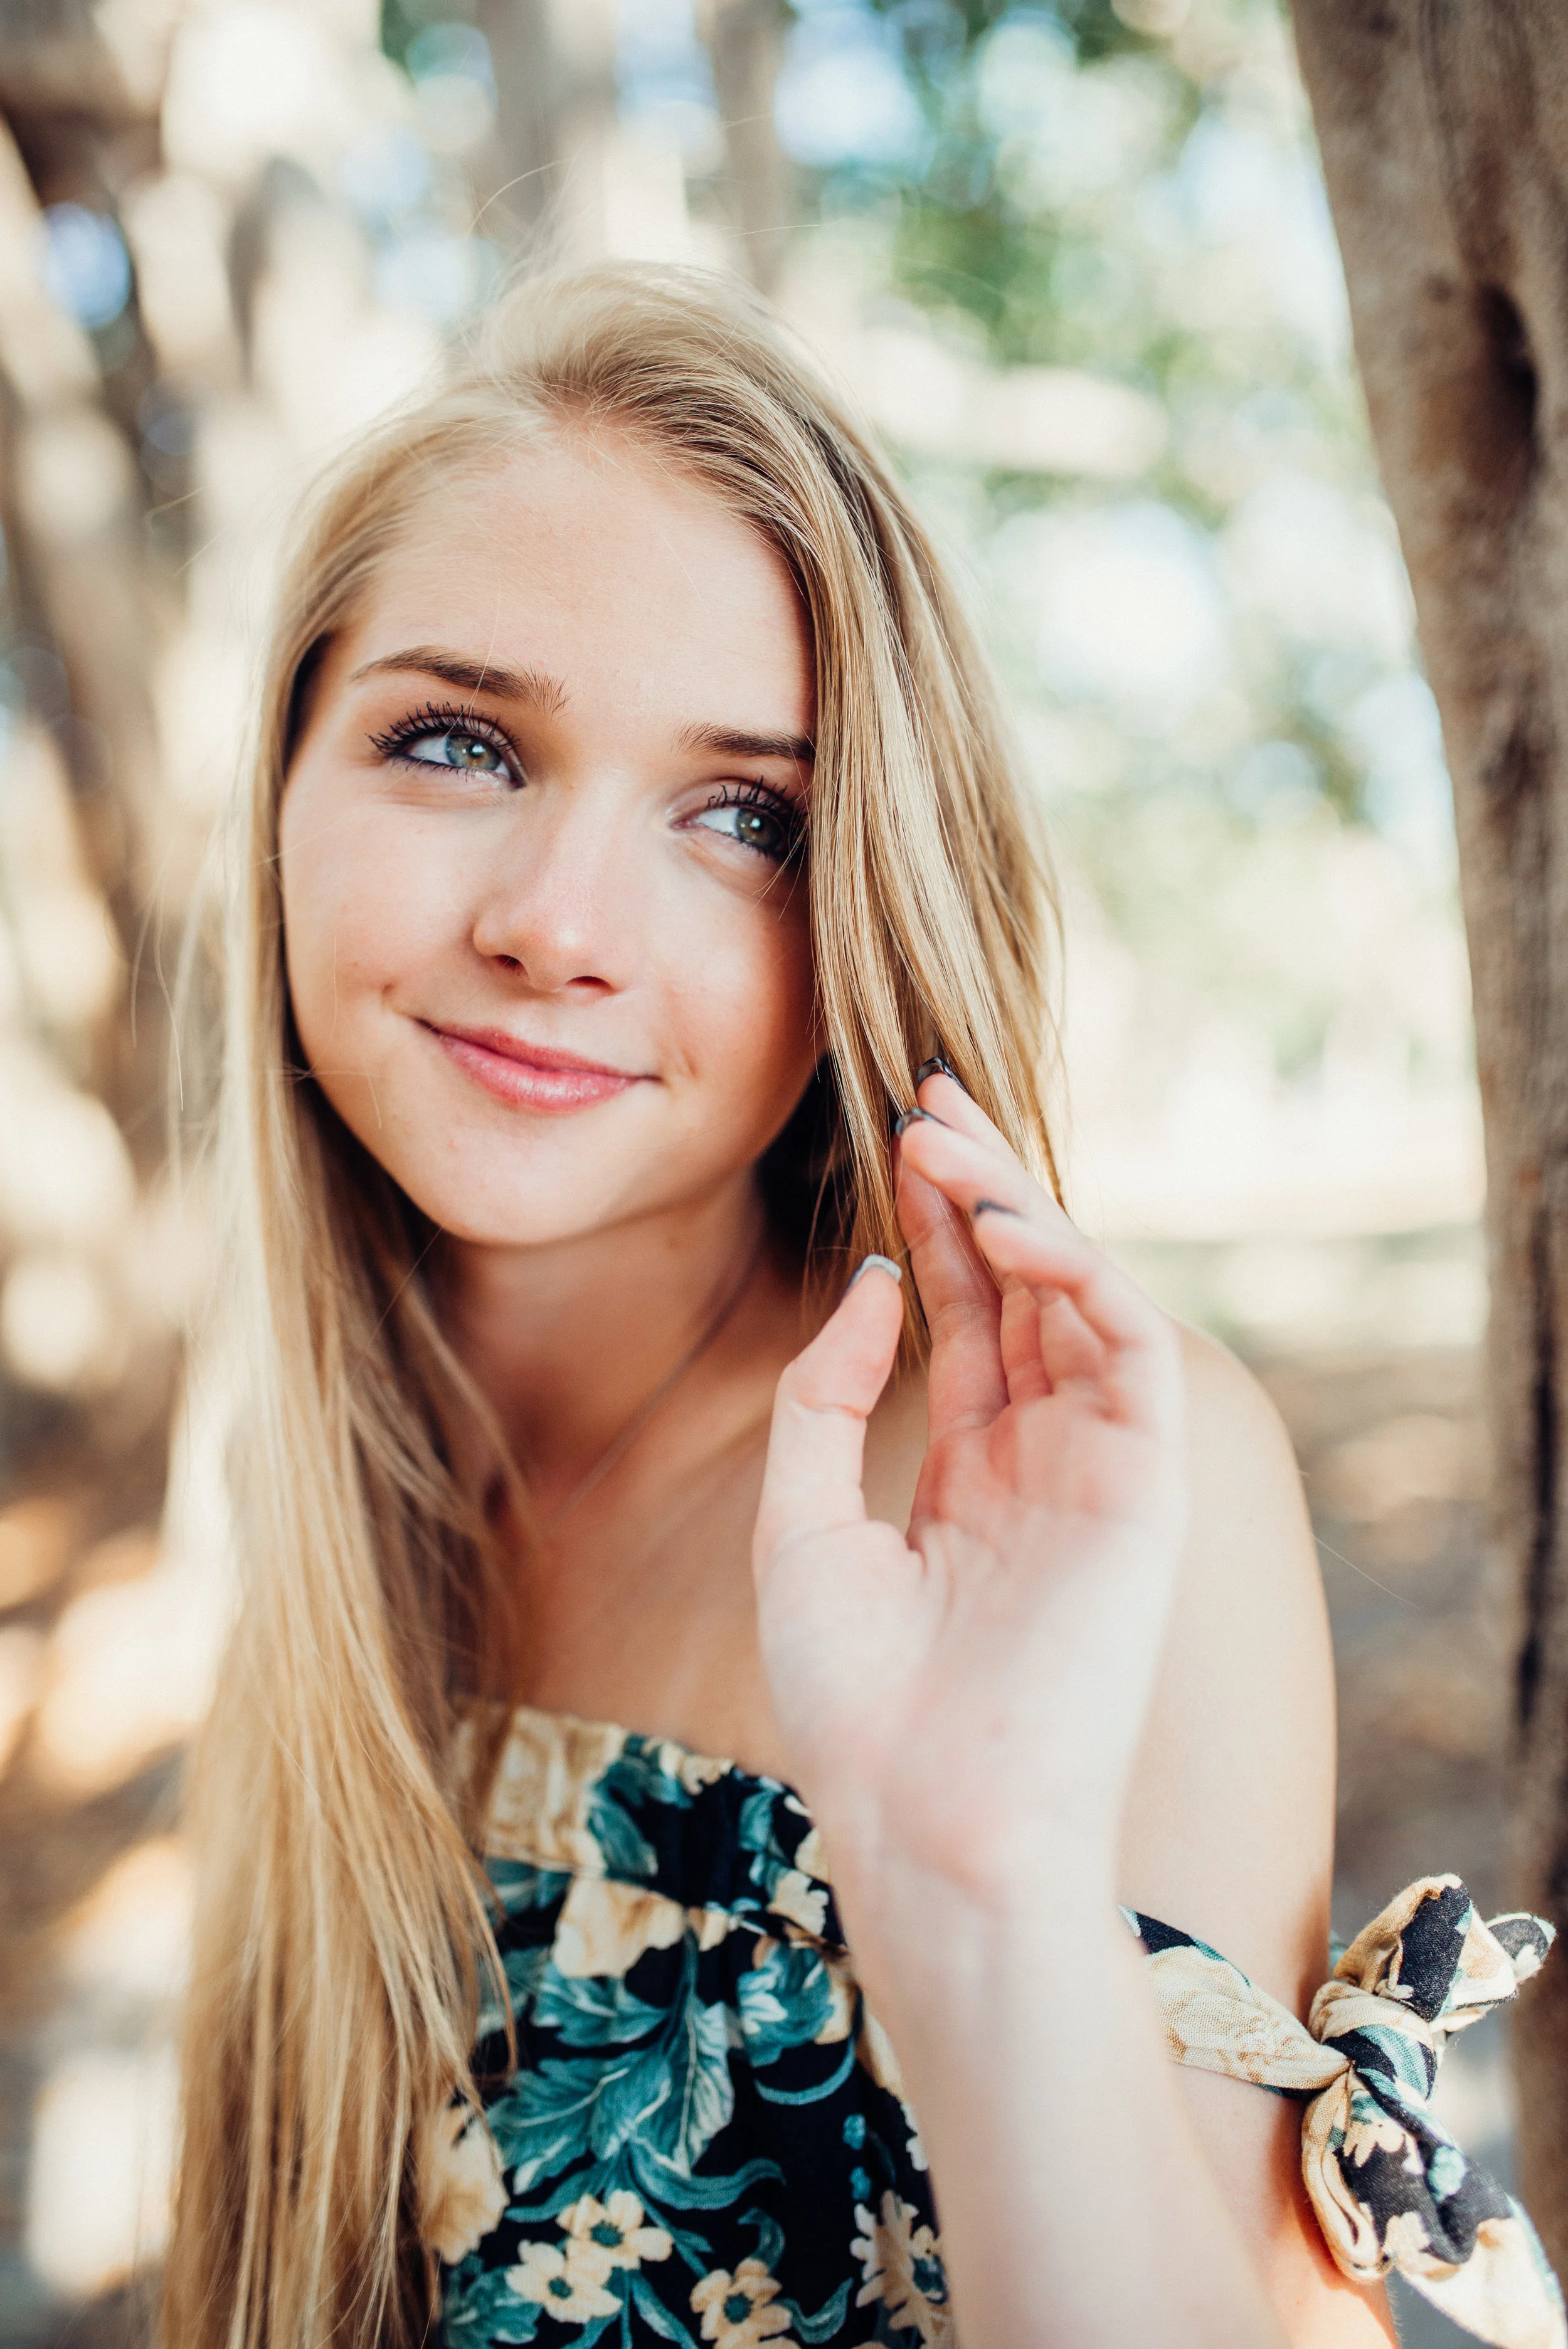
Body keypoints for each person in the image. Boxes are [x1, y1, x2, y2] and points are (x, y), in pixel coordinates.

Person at [161, 262, 1559, 2349]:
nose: (557, 925)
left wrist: (984, 1891)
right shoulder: (315, 1478)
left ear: (863, 911)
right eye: (457, 743)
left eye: (745, 817)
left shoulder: (1076, 1495)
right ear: (283, 787)